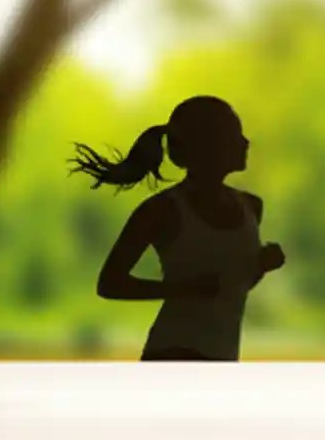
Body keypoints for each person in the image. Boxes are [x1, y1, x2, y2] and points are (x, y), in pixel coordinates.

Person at [70, 96, 284, 361]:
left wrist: (261, 267)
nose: (245, 142)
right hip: (173, 354)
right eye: (234, 134)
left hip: (224, 357)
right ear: (208, 145)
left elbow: (231, 288)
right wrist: (181, 289)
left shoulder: (251, 207)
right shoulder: (161, 210)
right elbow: (110, 284)